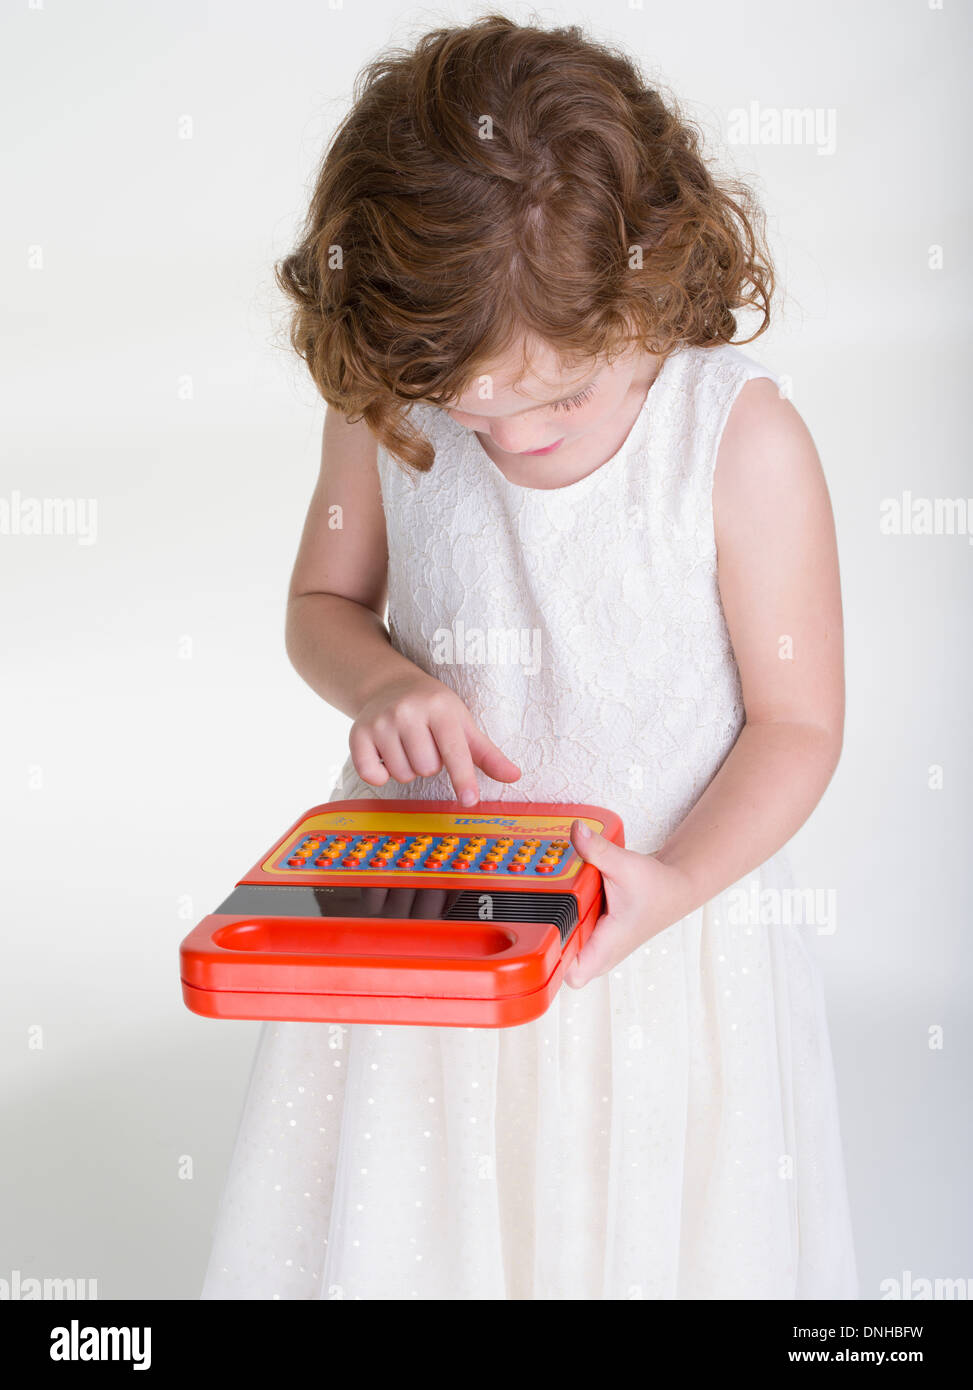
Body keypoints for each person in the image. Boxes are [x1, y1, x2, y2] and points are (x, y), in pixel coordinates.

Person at [200, 14, 857, 1300]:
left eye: (560, 397)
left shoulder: (737, 443)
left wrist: (670, 879)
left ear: (650, 277)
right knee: (422, 1232)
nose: (511, 435)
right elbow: (321, 600)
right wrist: (382, 681)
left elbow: (800, 725)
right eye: (473, 407)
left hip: (651, 941)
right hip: (428, 929)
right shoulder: (400, 396)